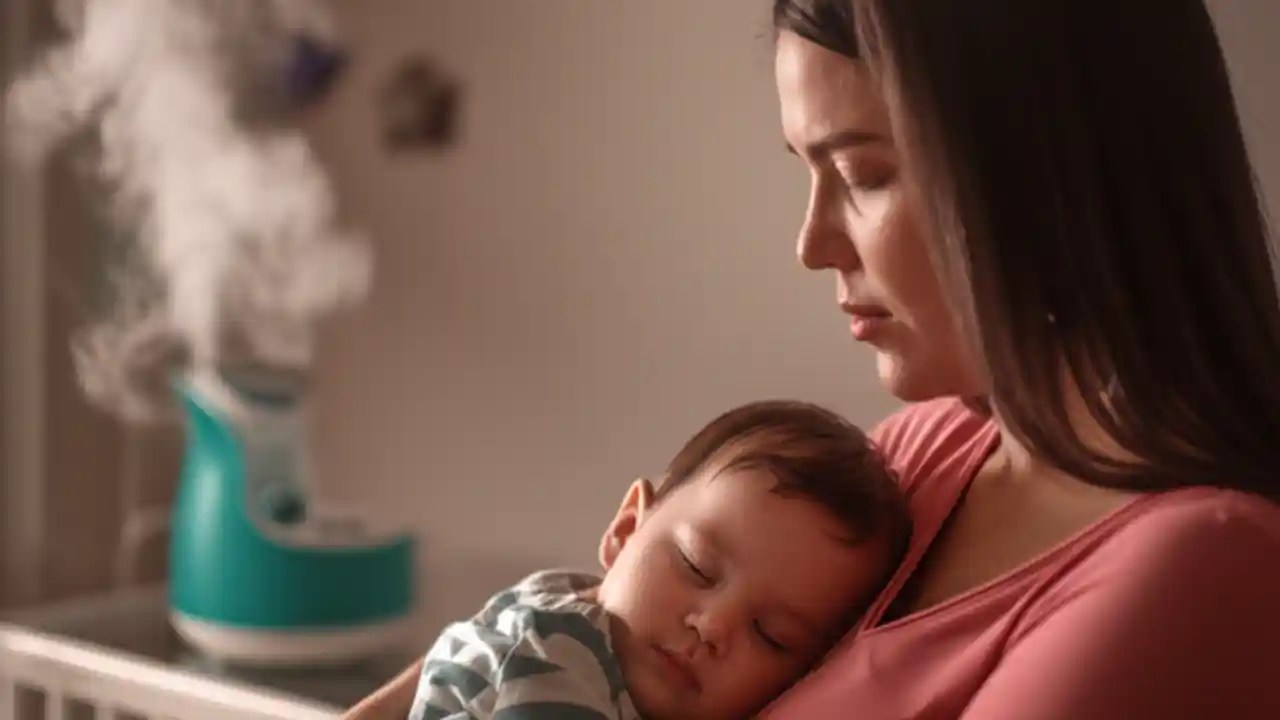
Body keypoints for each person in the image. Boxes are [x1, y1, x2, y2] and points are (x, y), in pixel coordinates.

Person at [348, 0, 1280, 717]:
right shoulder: (925, 454)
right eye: (809, 170)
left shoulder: (1198, 568)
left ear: (1047, 172)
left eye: (864, 174)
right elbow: (607, 623)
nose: (813, 242)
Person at [404, 401, 907, 720]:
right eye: (697, 567)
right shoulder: (552, 653)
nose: (711, 626)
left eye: (772, 635)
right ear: (626, 529)